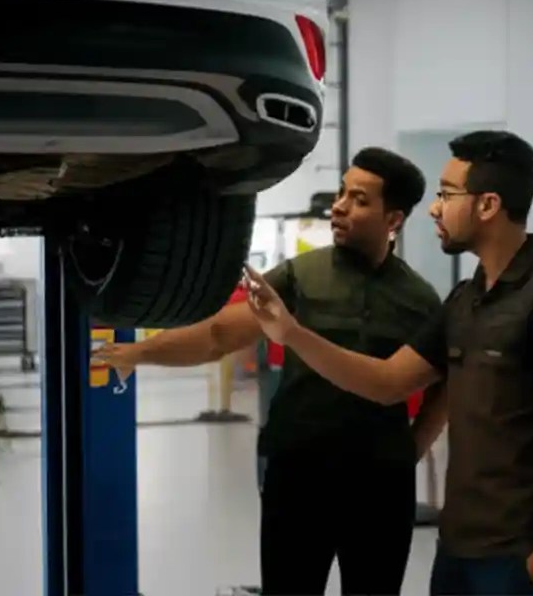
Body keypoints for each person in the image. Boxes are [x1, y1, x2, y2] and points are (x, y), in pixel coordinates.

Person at [242, 130, 533, 596]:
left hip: (519, 555)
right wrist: (293, 335)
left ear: (488, 205)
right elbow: (387, 381)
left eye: (446, 195)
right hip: (457, 550)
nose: (435, 209)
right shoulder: (464, 301)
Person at [94, 147, 445, 596]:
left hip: (380, 490)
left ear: (393, 219)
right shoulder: (300, 277)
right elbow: (220, 334)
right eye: (341, 192)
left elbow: (442, 387)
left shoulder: (421, 300)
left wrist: (407, 453)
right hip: (299, 479)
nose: (339, 205)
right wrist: (137, 353)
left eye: (359, 199)